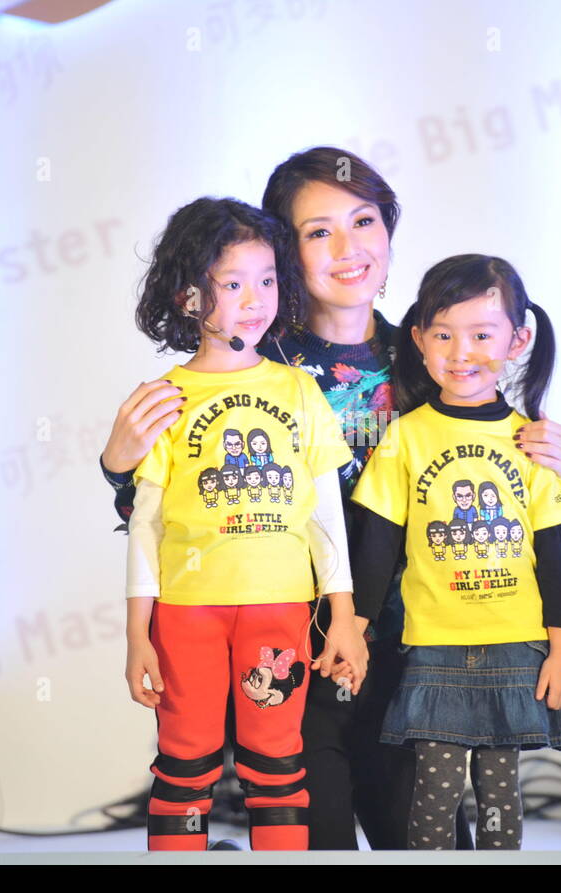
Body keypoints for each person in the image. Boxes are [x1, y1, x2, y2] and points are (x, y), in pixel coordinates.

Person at [101, 146, 561, 849]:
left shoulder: (431, 352)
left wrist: (548, 452)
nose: (348, 248)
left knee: (425, 842)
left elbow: (497, 477)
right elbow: (184, 507)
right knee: (310, 836)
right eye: (319, 231)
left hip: (412, 658)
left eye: (365, 221)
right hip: (289, 652)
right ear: (283, 252)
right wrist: (118, 464)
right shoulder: (251, 361)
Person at [122, 196, 365, 851]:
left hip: (278, 611)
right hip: (185, 612)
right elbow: (145, 525)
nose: (255, 299)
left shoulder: (298, 391)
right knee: (184, 760)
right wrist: (137, 633)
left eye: (266, 279)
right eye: (232, 284)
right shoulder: (165, 400)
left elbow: (325, 515)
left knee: (277, 762)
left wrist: (341, 613)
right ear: (188, 298)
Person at [345, 253, 561, 850]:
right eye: (444, 334)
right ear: (420, 340)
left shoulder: (531, 441)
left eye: (482, 334)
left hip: (514, 647)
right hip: (434, 647)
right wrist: (352, 627)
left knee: (501, 793)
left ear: (516, 339)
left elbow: (554, 556)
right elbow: (379, 544)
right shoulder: (404, 436)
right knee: (436, 790)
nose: (462, 351)